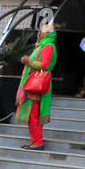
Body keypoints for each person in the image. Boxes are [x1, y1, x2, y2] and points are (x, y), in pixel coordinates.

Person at [16, 23, 58, 151]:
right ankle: (34, 140)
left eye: (41, 32)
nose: (38, 33)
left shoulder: (48, 46)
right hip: (34, 81)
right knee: (32, 114)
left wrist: (28, 61)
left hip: (38, 83)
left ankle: (38, 141)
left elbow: (44, 65)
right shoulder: (42, 45)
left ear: (46, 33)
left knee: (34, 114)